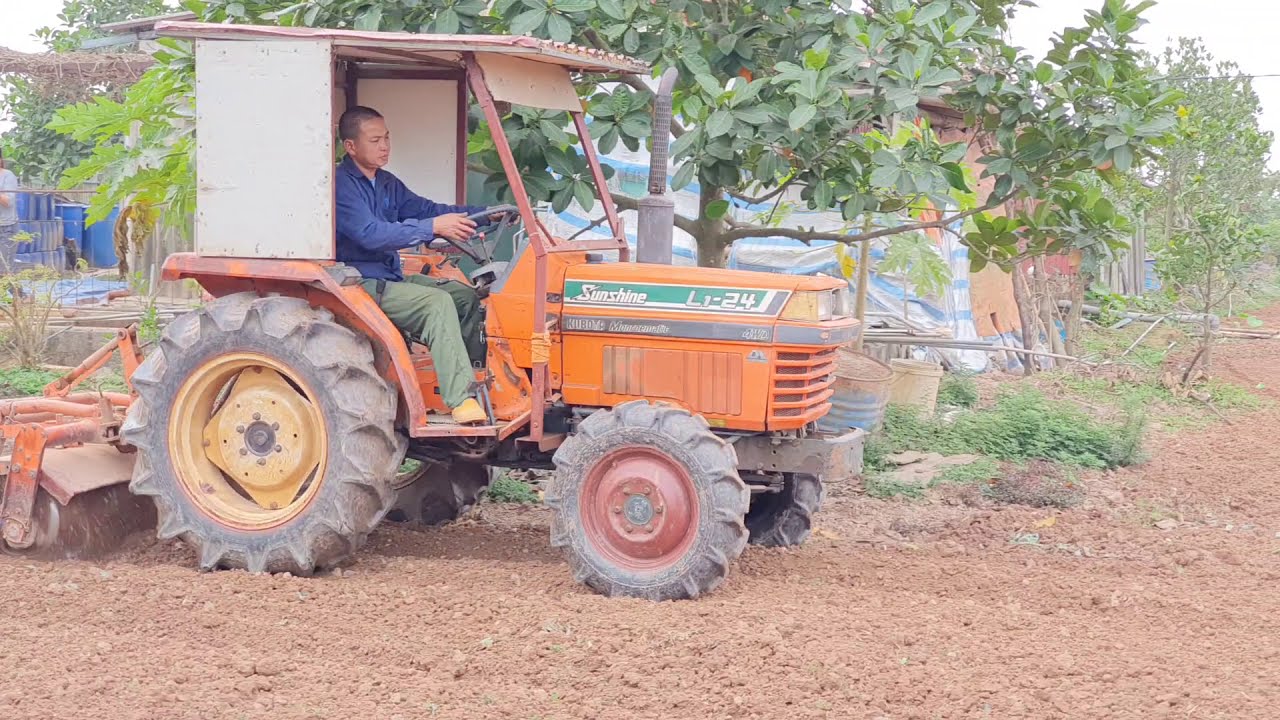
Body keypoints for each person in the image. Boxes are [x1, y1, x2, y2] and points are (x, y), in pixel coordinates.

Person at [334, 105, 491, 425]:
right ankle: (460, 398)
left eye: (387, 138)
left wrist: (485, 214)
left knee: (465, 297)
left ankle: (479, 380)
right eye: (375, 139)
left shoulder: (386, 183)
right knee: (436, 303)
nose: (385, 146)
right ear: (351, 146)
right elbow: (371, 235)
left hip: (390, 276)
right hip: (358, 282)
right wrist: (433, 227)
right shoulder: (341, 186)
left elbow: (428, 209)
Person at [0, 149, 17, 270]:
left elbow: (8, 201)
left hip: (6, 227)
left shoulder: (7, 175)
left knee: (5, 268)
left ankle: (11, 288)